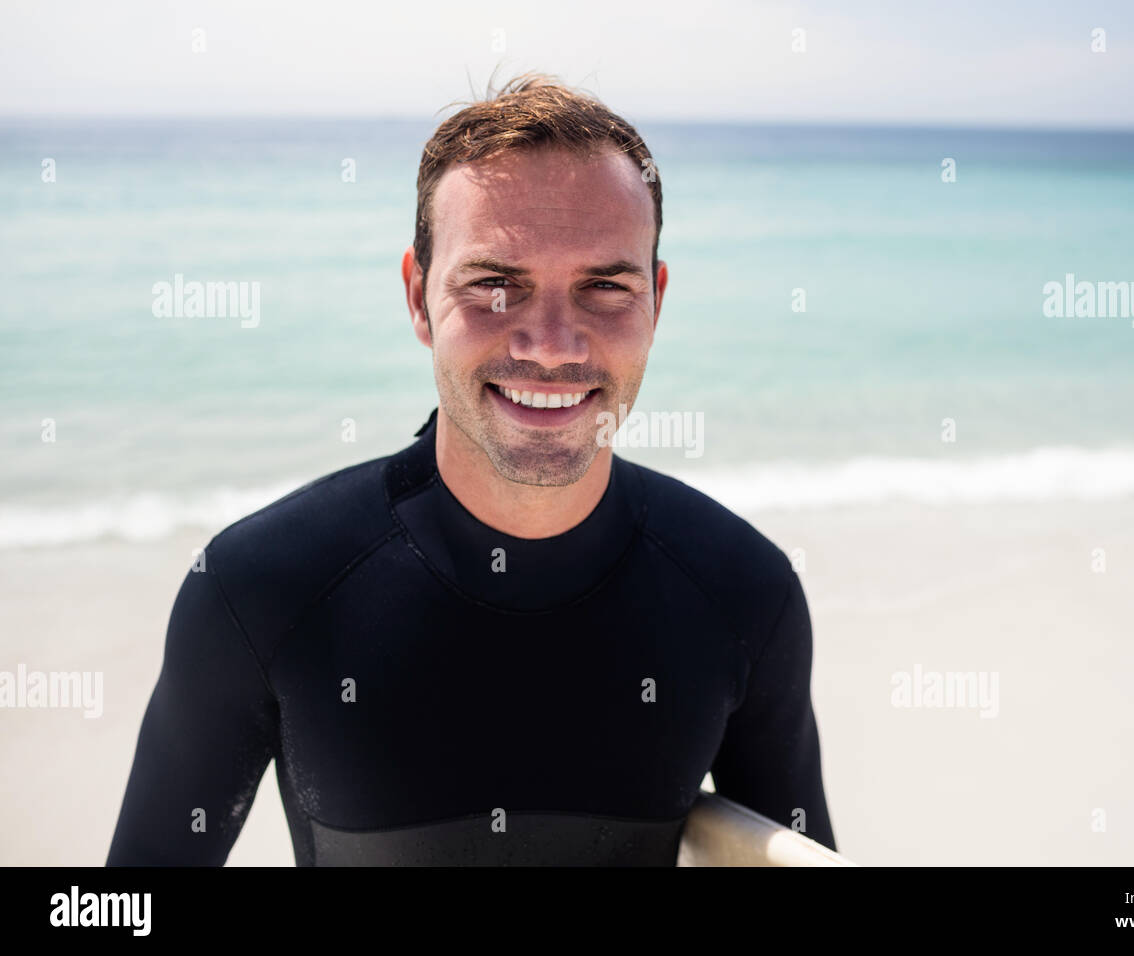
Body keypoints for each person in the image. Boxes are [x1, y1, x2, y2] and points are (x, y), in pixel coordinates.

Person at [107, 73, 835, 865]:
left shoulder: (743, 593)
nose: (552, 344)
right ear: (418, 299)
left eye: (604, 287)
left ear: (655, 301)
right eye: (495, 286)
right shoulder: (259, 590)